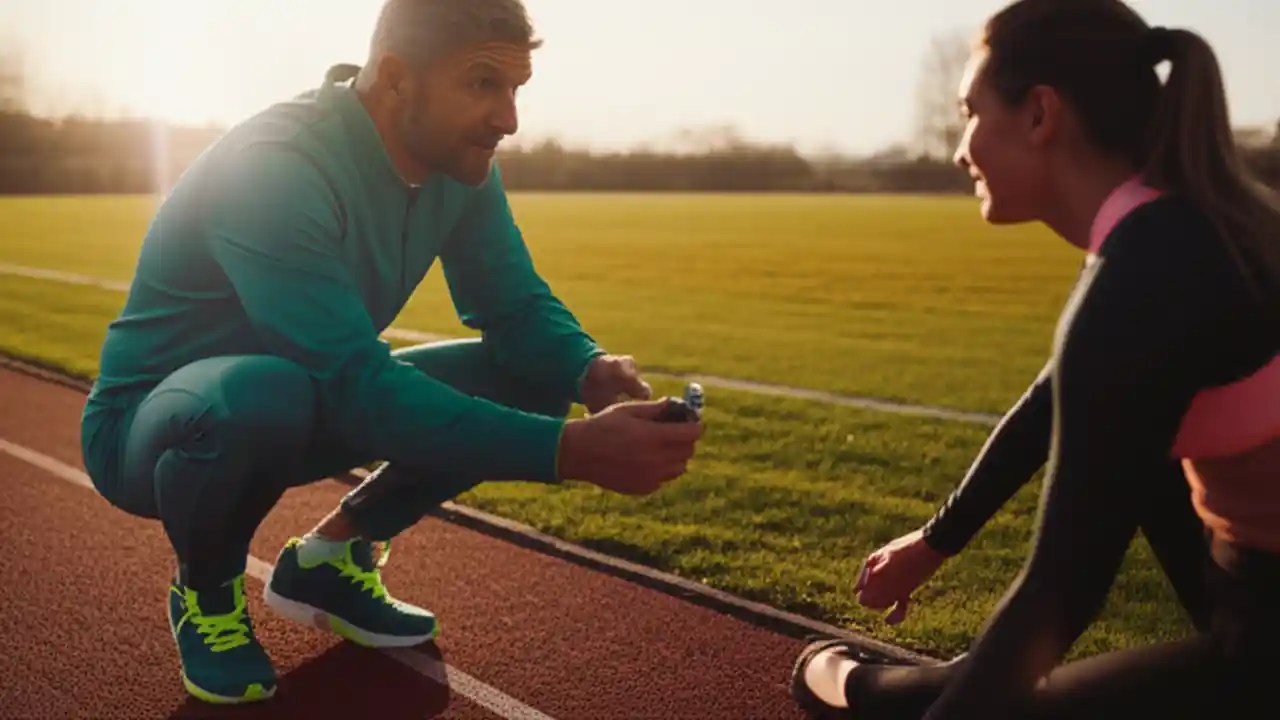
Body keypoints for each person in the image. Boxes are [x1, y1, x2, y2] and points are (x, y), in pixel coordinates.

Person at [78, 0, 703, 705]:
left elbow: (514, 306)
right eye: (481, 84)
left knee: (532, 373)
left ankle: (335, 555)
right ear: (397, 78)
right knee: (263, 392)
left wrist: (586, 365)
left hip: (307, 394)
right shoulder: (274, 168)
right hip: (157, 429)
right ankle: (207, 593)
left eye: (515, 89)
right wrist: (569, 452)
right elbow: (355, 382)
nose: (509, 119)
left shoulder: (459, 165)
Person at [790, 0, 1279, 717]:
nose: (960, 150)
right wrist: (935, 542)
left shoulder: (1147, 271)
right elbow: (1063, 401)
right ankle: (859, 684)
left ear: (1040, 114)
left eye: (969, 113)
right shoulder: (1197, 227)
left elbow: (1060, 592)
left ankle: (856, 687)